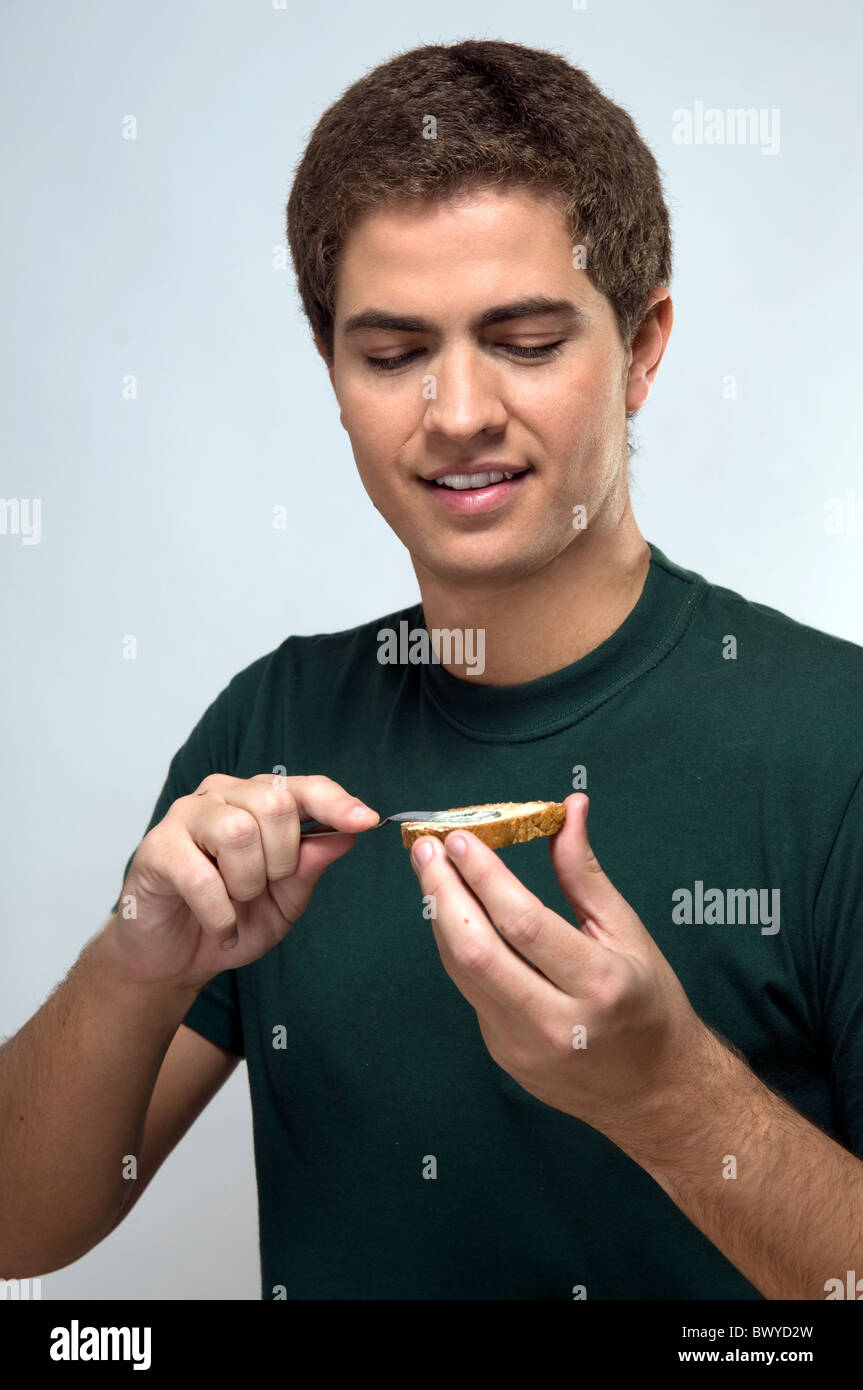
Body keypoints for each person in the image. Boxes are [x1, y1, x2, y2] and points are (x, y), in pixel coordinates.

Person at [2, 38, 862, 1302]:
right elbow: (21, 1229)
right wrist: (138, 963)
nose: (455, 412)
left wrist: (666, 1095)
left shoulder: (832, 745)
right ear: (331, 371)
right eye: (393, 353)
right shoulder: (271, 726)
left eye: (522, 339)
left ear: (641, 347)